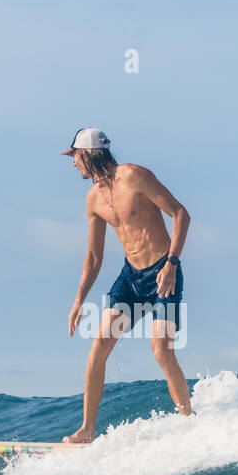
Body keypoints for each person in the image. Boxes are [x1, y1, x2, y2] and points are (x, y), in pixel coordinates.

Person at [62, 127, 191, 444]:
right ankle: (87, 430)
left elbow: (180, 214)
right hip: (130, 280)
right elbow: (93, 256)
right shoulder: (93, 200)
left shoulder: (136, 176)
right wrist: (79, 301)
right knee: (99, 346)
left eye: (75, 156)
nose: (73, 162)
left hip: (163, 273)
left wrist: (172, 264)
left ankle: (188, 423)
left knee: (161, 350)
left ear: (89, 154)